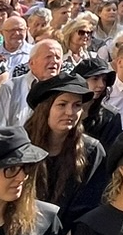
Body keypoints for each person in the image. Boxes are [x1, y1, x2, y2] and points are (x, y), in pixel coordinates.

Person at [27, 73, 107, 221]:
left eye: (77, 105)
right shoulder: (22, 146)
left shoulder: (92, 151)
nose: (70, 112)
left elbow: (90, 205)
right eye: (62, 104)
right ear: (45, 108)